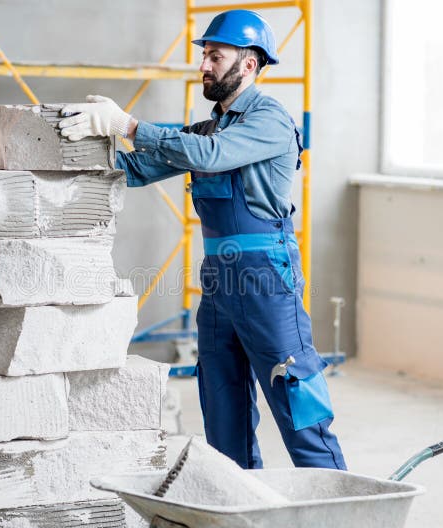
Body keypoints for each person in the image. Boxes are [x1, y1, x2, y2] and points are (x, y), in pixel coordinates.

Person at [58, 9, 346, 470]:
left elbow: (209, 157)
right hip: (220, 285)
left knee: (298, 403)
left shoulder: (269, 120)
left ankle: (340, 509)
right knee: (221, 403)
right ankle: (237, 506)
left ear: (248, 65)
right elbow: (136, 170)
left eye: (215, 55)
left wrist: (128, 126)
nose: (204, 66)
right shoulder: (210, 127)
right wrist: (74, 153)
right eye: (205, 56)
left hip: (268, 281)